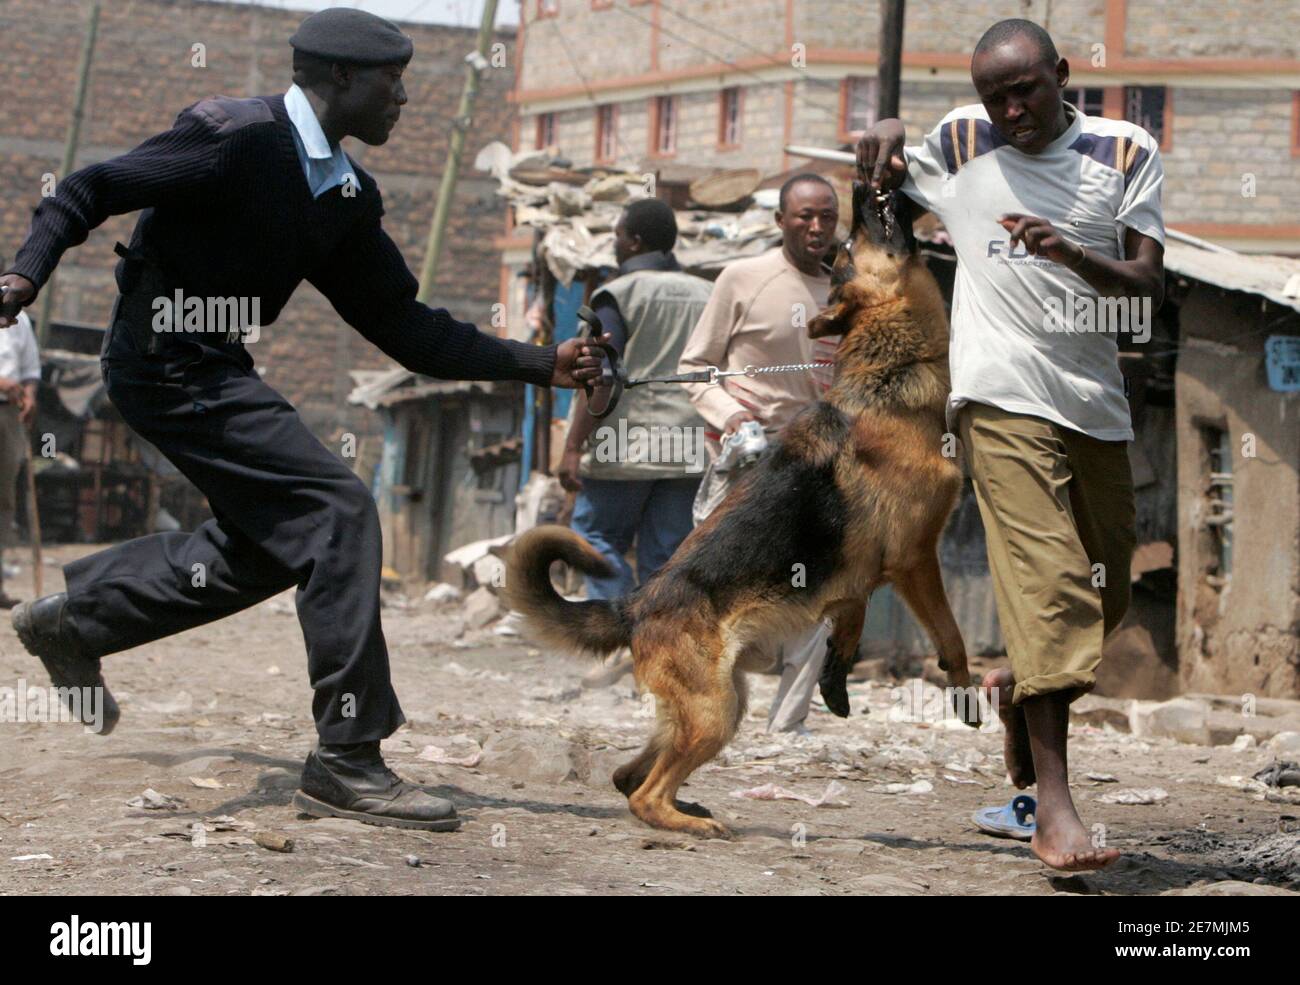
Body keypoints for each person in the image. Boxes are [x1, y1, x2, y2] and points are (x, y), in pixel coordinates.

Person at [0, 8, 605, 832]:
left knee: (273, 543)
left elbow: (407, 327)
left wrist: (542, 364)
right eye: (393, 84)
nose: (404, 100)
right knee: (338, 508)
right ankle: (347, 757)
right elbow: (89, 189)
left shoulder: (345, 197)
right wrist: (25, 275)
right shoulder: (229, 137)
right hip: (160, 364)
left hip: (216, 368)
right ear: (342, 79)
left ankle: (78, 619)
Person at [857, 17, 1164, 870]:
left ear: (1063, 74)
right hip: (995, 398)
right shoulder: (961, 141)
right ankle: (1054, 810)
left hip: (1095, 402)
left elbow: (1145, 284)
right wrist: (878, 150)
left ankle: (1016, 688)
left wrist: (1071, 253)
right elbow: (881, 231)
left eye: (1025, 90)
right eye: (996, 97)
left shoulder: (1126, 150)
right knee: (1052, 588)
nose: (1010, 111)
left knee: (1105, 589)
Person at [678, 173, 842, 734]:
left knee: (815, 591)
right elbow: (695, 368)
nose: (817, 227)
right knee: (717, 587)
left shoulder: (846, 293)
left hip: (815, 469)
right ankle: (709, 712)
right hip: (744, 464)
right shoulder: (742, 278)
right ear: (780, 221)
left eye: (827, 216)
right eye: (804, 216)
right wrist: (733, 418)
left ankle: (787, 731)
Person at [558, 199, 711, 688]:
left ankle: (614, 648)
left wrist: (571, 446)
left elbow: (598, 375)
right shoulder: (709, 292)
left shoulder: (617, 295)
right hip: (689, 447)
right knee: (665, 559)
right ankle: (654, 663)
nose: (615, 242)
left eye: (619, 234)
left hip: (623, 447)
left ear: (635, 241)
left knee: (598, 542)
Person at [0, 280, 39, 610]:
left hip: (8, 415)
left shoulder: (19, 318)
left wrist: (29, 395)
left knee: (3, 498)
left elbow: (30, 368)